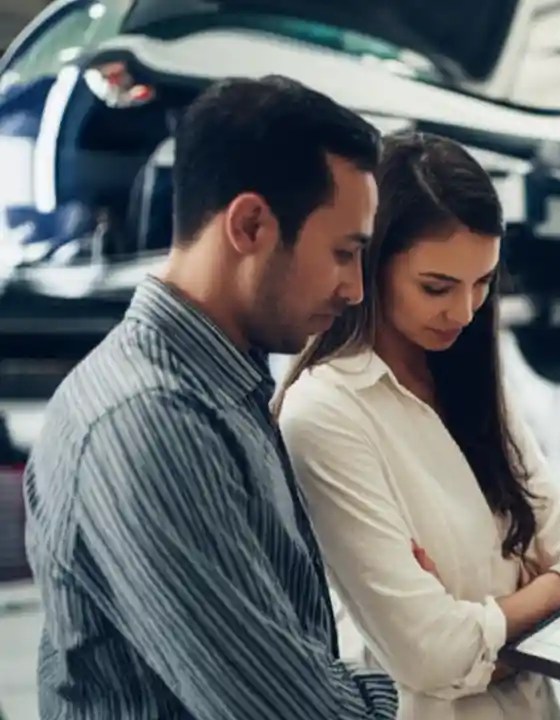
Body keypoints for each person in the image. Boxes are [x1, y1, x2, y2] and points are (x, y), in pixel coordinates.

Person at [22, 76, 398, 719]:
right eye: (343, 253)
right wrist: (389, 682)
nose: (356, 290)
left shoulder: (218, 387)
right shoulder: (151, 421)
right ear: (251, 225)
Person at [274, 131, 560, 720]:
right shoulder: (324, 414)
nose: (464, 312)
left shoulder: (477, 386)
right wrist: (549, 591)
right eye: (436, 287)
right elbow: (433, 657)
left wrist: (482, 620)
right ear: (371, 266)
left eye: (483, 284)